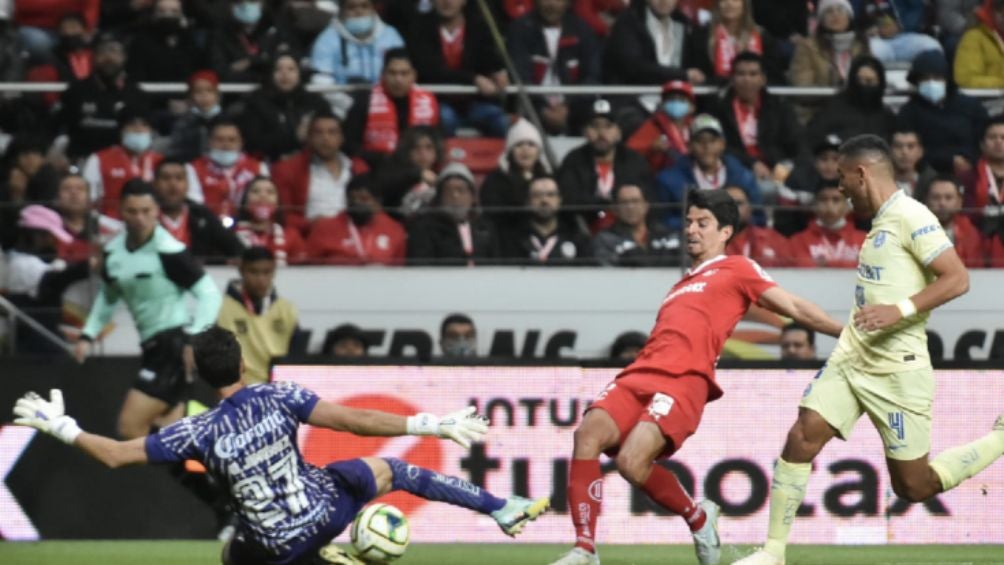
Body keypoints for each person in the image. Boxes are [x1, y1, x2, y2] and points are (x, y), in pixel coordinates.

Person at [12, 326, 550, 565]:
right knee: (392, 471)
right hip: (325, 508)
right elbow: (358, 420)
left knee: (232, 554)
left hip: (270, 544)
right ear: (243, 363)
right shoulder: (278, 394)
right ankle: (501, 506)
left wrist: (61, 426)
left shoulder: (194, 431)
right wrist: (430, 425)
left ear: (201, 376)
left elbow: (113, 453)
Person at [735, 135, 1004, 565]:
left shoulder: (911, 215)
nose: (839, 188)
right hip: (852, 357)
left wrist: (898, 310)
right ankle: (772, 553)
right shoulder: (879, 222)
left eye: (842, 178)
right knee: (801, 437)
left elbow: (957, 279)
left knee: (913, 486)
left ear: (862, 174)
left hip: (898, 368)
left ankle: (1001, 437)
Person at [551, 189, 843, 565]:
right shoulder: (679, 285)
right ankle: (586, 548)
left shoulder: (738, 267)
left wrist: (844, 332)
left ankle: (698, 517)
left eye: (702, 223)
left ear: (725, 231)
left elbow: (793, 306)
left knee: (630, 463)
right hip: (639, 373)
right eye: (688, 222)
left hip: (683, 380)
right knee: (586, 433)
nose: (691, 229)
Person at [74, 180, 223, 440]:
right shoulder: (112, 253)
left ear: (157, 211)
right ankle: (199, 430)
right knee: (162, 428)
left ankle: (202, 425)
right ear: (121, 211)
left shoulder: (170, 251)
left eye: (146, 211)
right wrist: (88, 335)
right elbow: (108, 298)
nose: (140, 219)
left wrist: (195, 336)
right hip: (151, 347)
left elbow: (209, 292)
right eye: (133, 211)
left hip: (173, 345)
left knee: (129, 428)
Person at [408, 0, 510, 138]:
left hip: (474, 103)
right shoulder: (419, 28)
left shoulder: (479, 27)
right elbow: (431, 71)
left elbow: (489, 59)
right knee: (445, 119)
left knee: (500, 121)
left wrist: (499, 71)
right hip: (438, 102)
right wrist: (473, 79)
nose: (447, 2)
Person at [3, 205, 90, 354]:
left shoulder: (25, 260)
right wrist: (87, 266)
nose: (54, 242)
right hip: (34, 346)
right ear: (37, 236)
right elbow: (56, 282)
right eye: (51, 236)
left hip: (46, 337)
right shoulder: (21, 264)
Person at [507, 0, 602, 135]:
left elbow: (592, 76)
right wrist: (543, 110)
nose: (551, 4)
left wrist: (567, 107)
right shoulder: (520, 29)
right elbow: (519, 75)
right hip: (531, 112)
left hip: (575, 113)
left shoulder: (583, 31)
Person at [557, 99, 652, 234]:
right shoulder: (573, 160)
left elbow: (647, 199)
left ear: (618, 131)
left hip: (628, 232)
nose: (601, 133)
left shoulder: (634, 161)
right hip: (582, 232)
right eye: (595, 126)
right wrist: (604, 204)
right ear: (585, 131)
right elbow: (568, 200)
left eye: (608, 126)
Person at [708, 51, 800, 184]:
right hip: (735, 171)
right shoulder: (718, 108)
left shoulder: (779, 107)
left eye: (753, 74)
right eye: (741, 74)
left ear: (763, 79)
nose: (747, 79)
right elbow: (718, 146)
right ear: (732, 79)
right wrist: (751, 163)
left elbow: (798, 143)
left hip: (776, 171)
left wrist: (781, 170)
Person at [655, 113, 760, 229]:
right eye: (700, 141)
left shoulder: (743, 177)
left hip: (736, 240)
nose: (706, 146)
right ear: (689, 146)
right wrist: (696, 222)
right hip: (689, 242)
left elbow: (759, 217)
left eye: (712, 140)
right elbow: (661, 221)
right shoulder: (669, 180)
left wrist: (741, 218)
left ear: (722, 144)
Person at [271, 111, 369, 235]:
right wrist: (312, 224)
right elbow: (283, 216)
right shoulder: (288, 170)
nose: (325, 138)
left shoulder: (358, 168)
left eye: (332, 132)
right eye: (319, 133)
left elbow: (372, 210)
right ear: (309, 138)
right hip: (310, 238)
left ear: (341, 138)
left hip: (355, 238)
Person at [56, 33, 150, 160]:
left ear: (124, 57)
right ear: (94, 57)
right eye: (102, 52)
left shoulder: (136, 94)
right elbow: (60, 128)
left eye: (114, 52)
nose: (108, 57)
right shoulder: (76, 91)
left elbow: (142, 134)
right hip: (81, 159)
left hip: (123, 162)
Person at [896, 49, 989, 175]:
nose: (931, 83)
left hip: (973, 172)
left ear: (947, 79)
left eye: (937, 78)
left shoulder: (971, 107)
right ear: (916, 82)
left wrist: (969, 159)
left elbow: (985, 139)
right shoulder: (908, 112)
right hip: (926, 175)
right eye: (925, 78)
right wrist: (948, 160)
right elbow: (906, 148)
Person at [343, 48, 440, 168]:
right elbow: (349, 144)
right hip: (377, 170)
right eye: (392, 73)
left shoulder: (428, 102)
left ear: (414, 75)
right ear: (383, 75)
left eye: (404, 73)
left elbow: (438, 142)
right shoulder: (365, 100)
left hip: (419, 169)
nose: (398, 80)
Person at [217, 247, 299, 385]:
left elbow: (295, 356)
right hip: (237, 390)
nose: (261, 279)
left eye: (266, 272)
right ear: (241, 270)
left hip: (276, 390)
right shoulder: (221, 307)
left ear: (274, 272)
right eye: (254, 272)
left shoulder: (287, 309)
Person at [238, 54, 330, 162]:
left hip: (313, 162)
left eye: (291, 69)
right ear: (271, 74)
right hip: (270, 162)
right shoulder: (256, 102)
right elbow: (253, 142)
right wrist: (295, 137)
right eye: (278, 69)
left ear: (299, 73)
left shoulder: (316, 103)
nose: (284, 74)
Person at [309, 0, 405, 101]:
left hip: (386, 102)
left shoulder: (391, 36)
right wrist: (351, 107)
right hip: (340, 106)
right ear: (341, 11)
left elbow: (403, 74)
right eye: (351, 7)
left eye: (364, 6)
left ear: (373, 9)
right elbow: (321, 83)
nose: (359, 11)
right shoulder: (326, 40)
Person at [407, 162, 500, 266]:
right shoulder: (424, 229)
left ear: (473, 197)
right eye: (448, 191)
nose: (455, 196)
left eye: (461, 190)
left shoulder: (486, 228)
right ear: (440, 198)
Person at [153, 159, 245, 263]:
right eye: (166, 178)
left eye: (179, 178)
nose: (173, 184)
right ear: (155, 183)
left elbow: (237, 249)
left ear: (187, 184)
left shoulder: (201, 213)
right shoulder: (145, 213)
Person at [305, 173, 407, 265]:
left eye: (364, 199)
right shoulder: (325, 229)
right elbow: (308, 267)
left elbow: (399, 271)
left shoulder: (394, 230)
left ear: (378, 203)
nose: (357, 203)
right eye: (352, 199)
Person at [806, 55, 897, 151]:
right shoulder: (833, 110)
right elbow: (813, 139)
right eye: (859, 80)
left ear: (880, 82)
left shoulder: (886, 117)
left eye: (869, 81)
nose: (863, 85)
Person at [81, 110, 163, 218]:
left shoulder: (161, 162)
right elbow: (89, 199)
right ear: (122, 130)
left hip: (153, 223)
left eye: (144, 125)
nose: (138, 130)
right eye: (132, 125)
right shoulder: (99, 159)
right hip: (110, 224)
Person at [185, 117, 270, 221]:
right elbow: (196, 205)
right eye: (219, 139)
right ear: (209, 142)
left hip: (247, 226)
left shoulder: (259, 168)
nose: (226, 145)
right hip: (208, 227)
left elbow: (265, 203)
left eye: (232, 140)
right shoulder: (193, 168)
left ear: (241, 142)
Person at [602, 0, 704, 86]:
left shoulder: (685, 26)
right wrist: (682, 75)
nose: (664, 1)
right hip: (634, 100)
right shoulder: (629, 21)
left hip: (677, 100)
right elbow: (634, 67)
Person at [481, 118, 554, 234]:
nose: (525, 150)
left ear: (539, 151)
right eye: (519, 145)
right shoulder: (495, 180)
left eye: (531, 144)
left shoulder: (548, 180)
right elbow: (493, 216)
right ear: (510, 151)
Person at [502, 175, 591, 265]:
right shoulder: (512, 239)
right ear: (528, 201)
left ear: (559, 200)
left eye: (550, 195)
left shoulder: (575, 236)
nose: (544, 200)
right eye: (537, 195)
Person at [690, 0, 782, 85]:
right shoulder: (701, 36)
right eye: (724, 0)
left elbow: (774, 76)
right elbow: (699, 75)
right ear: (717, 5)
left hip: (756, 98)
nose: (729, 3)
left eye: (735, 0)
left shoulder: (762, 36)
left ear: (745, 5)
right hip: (715, 96)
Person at [208, 0, 300, 83]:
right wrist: (261, 66)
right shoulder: (221, 34)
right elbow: (220, 72)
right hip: (233, 96)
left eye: (252, 1)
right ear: (231, 6)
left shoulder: (277, 30)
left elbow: (285, 65)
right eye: (239, 1)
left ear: (263, 3)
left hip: (269, 94)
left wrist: (250, 62)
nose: (246, 5)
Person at [592, 183, 680, 266]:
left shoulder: (668, 236)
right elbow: (607, 272)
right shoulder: (605, 240)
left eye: (635, 201)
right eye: (624, 202)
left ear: (646, 206)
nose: (630, 207)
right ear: (615, 209)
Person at [789, 0, 869, 87]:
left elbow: (873, 81)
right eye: (829, 11)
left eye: (841, 9)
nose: (835, 14)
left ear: (849, 17)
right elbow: (802, 87)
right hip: (823, 100)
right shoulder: (807, 47)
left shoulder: (862, 44)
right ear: (822, 20)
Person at [776, 134, 843, 236]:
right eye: (824, 159)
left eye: (835, 160)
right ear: (815, 161)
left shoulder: (855, 183)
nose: (829, 165)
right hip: (802, 239)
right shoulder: (797, 181)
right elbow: (784, 220)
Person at [233, 177, 308, 266]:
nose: (263, 196)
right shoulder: (232, 235)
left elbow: (302, 271)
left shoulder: (291, 235)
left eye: (270, 192)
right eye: (256, 191)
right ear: (245, 203)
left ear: (278, 204)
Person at [373, 126, 445, 219]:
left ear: (437, 152)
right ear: (407, 152)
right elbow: (384, 185)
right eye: (416, 148)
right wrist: (418, 174)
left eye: (429, 147)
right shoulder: (394, 173)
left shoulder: (442, 177)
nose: (422, 153)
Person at [124, 0, 203, 84]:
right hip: (150, 92)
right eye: (162, 11)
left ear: (182, 15)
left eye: (174, 11)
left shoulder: (189, 41)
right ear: (153, 14)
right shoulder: (141, 42)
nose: (168, 15)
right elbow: (136, 76)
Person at [789, 183, 866, 267]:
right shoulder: (798, 241)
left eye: (836, 200)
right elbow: (803, 269)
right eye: (823, 200)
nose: (829, 206)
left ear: (847, 207)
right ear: (814, 206)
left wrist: (825, 264)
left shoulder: (865, 240)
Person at [626, 79, 695, 173]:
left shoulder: (696, 127)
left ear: (692, 107)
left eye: (681, 100)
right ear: (662, 104)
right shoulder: (654, 125)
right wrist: (651, 148)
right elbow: (629, 152)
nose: (676, 103)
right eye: (671, 99)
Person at [925, 175, 986, 268]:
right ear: (926, 201)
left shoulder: (971, 234)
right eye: (936, 197)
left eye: (948, 197)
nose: (942, 203)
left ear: (959, 202)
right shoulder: (914, 232)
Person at [724, 185, 793, 267]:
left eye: (739, 203)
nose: (734, 208)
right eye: (728, 204)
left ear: (750, 208)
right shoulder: (710, 243)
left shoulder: (772, 239)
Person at [861, 0, 943, 65]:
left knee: (933, 48)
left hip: (904, 37)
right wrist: (870, 30)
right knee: (867, 54)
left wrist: (900, 26)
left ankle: (929, 84)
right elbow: (854, 18)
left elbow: (917, 9)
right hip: (876, 40)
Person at [166, 70, 224, 163]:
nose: (204, 96)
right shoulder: (182, 123)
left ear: (217, 95)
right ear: (190, 96)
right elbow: (176, 151)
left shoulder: (227, 120)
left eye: (209, 91)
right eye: (198, 91)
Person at [953, 0, 1004, 88]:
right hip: (988, 99)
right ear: (992, 11)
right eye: (1001, 13)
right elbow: (966, 79)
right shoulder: (974, 38)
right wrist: (1001, 83)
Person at [966, 116, 1004, 232]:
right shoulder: (968, 177)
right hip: (978, 236)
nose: (998, 141)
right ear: (982, 144)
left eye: (1003, 137)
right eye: (992, 137)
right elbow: (966, 214)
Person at [890, 128, 937, 200]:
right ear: (889, 150)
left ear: (920, 152)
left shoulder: (932, 183)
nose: (904, 152)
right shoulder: (878, 184)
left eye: (910, 146)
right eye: (898, 146)